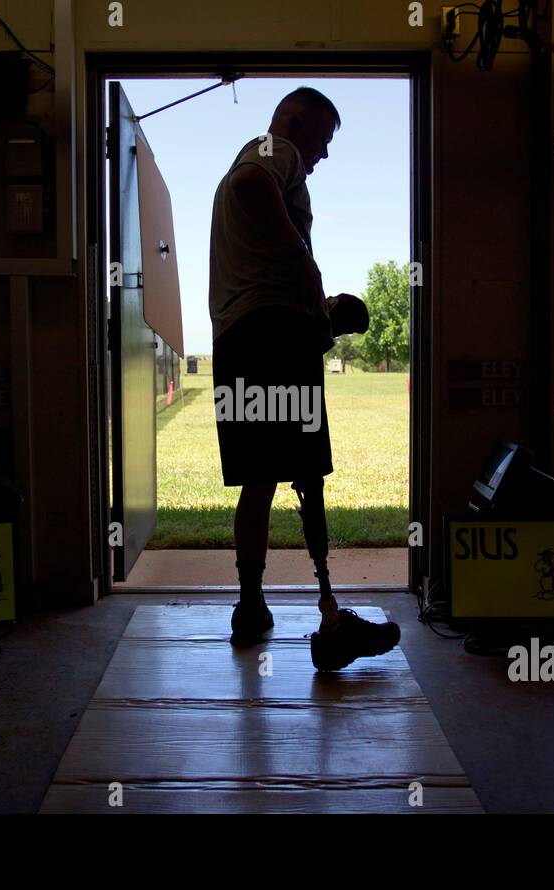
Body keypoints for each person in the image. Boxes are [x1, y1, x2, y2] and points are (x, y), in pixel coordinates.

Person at [208, 87, 400, 670]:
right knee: (309, 476)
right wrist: (305, 265)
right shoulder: (272, 147)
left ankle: (250, 607)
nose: (322, 154)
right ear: (294, 123)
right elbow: (252, 184)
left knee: (259, 480)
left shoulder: (254, 161)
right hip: (278, 338)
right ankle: (331, 620)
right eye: (322, 139)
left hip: (239, 339)